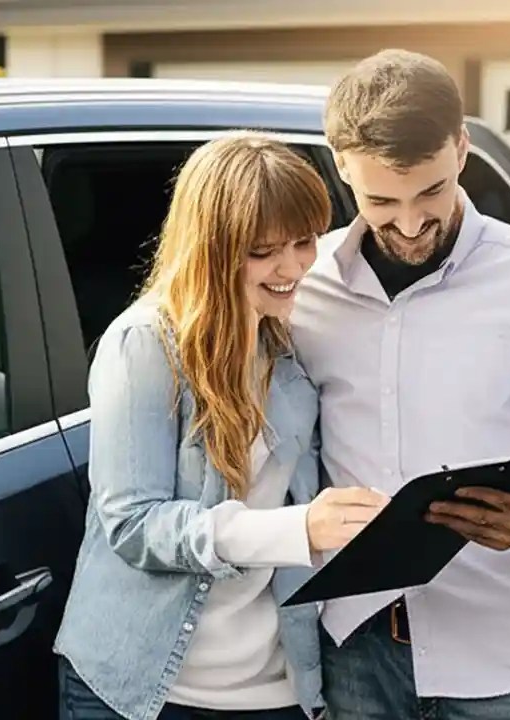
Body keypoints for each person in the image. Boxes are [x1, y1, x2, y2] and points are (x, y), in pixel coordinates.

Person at [290, 49, 510, 719]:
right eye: (381, 200)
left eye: (432, 191)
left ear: (461, 149)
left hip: (504, 663)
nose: (412, 223)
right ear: (340, 167)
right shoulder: (306, 286)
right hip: (356, 656)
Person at [54, 133, 391, 720]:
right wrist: (296, 530)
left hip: (274, 687)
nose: (292, 268)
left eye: (305, 242)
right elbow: (133, 523)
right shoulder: (145, 344)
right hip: (146, 688)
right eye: (264, 251)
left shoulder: (285, 342)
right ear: (212, 246)